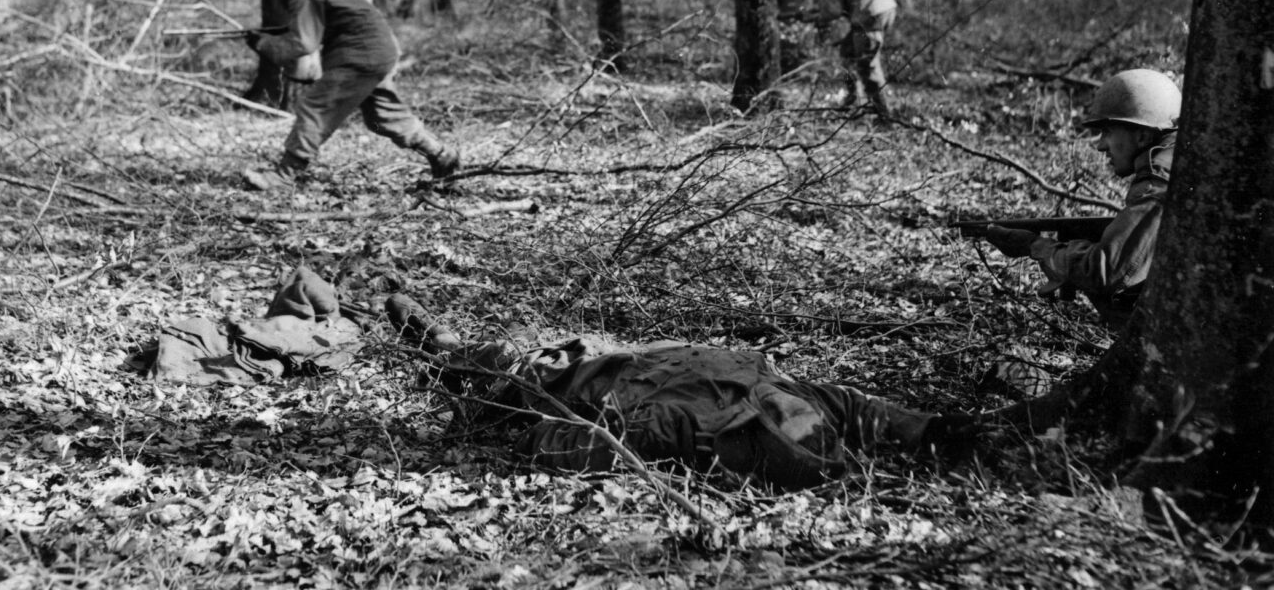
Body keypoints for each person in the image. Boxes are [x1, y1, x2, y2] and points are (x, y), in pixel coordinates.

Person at [386, 295, 975, 491]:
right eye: (798, 408)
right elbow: (857, 407)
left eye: (785, 414)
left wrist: (527, 434)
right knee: (521, 342)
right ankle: (452, 353)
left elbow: (571, 444)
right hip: (634, 352)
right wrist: (934, 431)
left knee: (501, 357)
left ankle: (440, 348)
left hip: (565, 379)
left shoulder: (686, 434)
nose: (793, 402)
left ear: (761, 434)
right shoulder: (803, 407)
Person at [241, 0, 460, 191]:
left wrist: (264, 43)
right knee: (383, 116)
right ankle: (442, 154)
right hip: (381, 49)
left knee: (314, 106)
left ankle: (283, 176)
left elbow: (303, 44)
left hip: (360, 55)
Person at [979, 69, 1180, 332]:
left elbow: (1106, 272)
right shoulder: (1175, 162)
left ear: (1142, 135)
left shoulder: (1157, 184)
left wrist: (1037, 246)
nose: (1101, 145)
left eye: (1107, 132)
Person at [791, 0, 900, 116]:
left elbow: (832, 11)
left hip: (869, 13)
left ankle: (884, 116)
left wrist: (811, 17)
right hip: (885, 7)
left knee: (867, 64)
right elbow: (840, 3)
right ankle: (853, 100)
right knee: (847, 52)